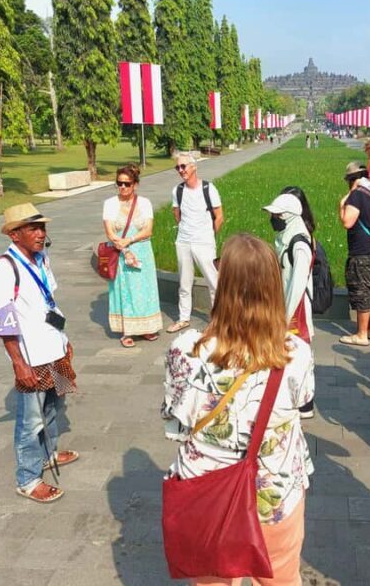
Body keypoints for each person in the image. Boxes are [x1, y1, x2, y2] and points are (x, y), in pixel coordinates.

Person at [162, 233, 315, 585]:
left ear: (222, 284)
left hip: (206, 491)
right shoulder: (295, 353)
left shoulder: (186, 348)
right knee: (281, 579)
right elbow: (303, 403)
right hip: (273, 491)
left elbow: (173, 414)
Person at [0, 203, 78, 503]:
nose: (40, 234)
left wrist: (64, 340)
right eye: (32, 228)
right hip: (32, 355)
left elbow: (48, 301)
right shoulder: (3, 269)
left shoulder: (41, 257)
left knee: (55, 403)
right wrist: (18, 363)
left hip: (54, 345)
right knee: (30, 421)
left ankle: (48, 454)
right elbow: (2, 322)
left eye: (42, 228)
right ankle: (27, 478)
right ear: (14, 234)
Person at [265, 188, 317, 419]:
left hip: (296, 309)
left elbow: (297, 284)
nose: (273, 220)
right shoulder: (287, 238)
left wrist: (285, 318)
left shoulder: (299, 244)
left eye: (277, 216)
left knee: (301, 354)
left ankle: (305, 403)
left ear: (288, 217)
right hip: (285, 303)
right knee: (290, 353)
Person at [102, 165, 162, 347]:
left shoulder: (144, 203)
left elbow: (148, 230)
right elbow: (110, 232)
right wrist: (123, 247)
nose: (122, 187)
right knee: (125, 291)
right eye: (119, 183)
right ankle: (126, 331)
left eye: (126, 184)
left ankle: (146, 327)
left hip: (142, 250)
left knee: (145, 289)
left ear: (135, 184)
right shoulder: (110, 204)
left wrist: (131, 240)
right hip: (121, 253)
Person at [168, 152, 223, 334]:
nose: (180, 170)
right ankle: (183, 318)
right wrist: (187, 231)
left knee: (213, 281)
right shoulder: (178, 191)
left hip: (204, 241)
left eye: (183, 166)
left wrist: (208, 235)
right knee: (184, 282)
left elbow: (219, 216)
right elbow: (177, 215)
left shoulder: (209, 189)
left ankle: (217, 320)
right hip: (184, 241)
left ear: (194, 167)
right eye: (178, 167)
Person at [338, 162, 370, 346]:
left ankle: (361, 334)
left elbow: (347, 222)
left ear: (352, 180)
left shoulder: (357, 195)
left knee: (362, 291)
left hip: (361, 252)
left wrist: (343, 203)